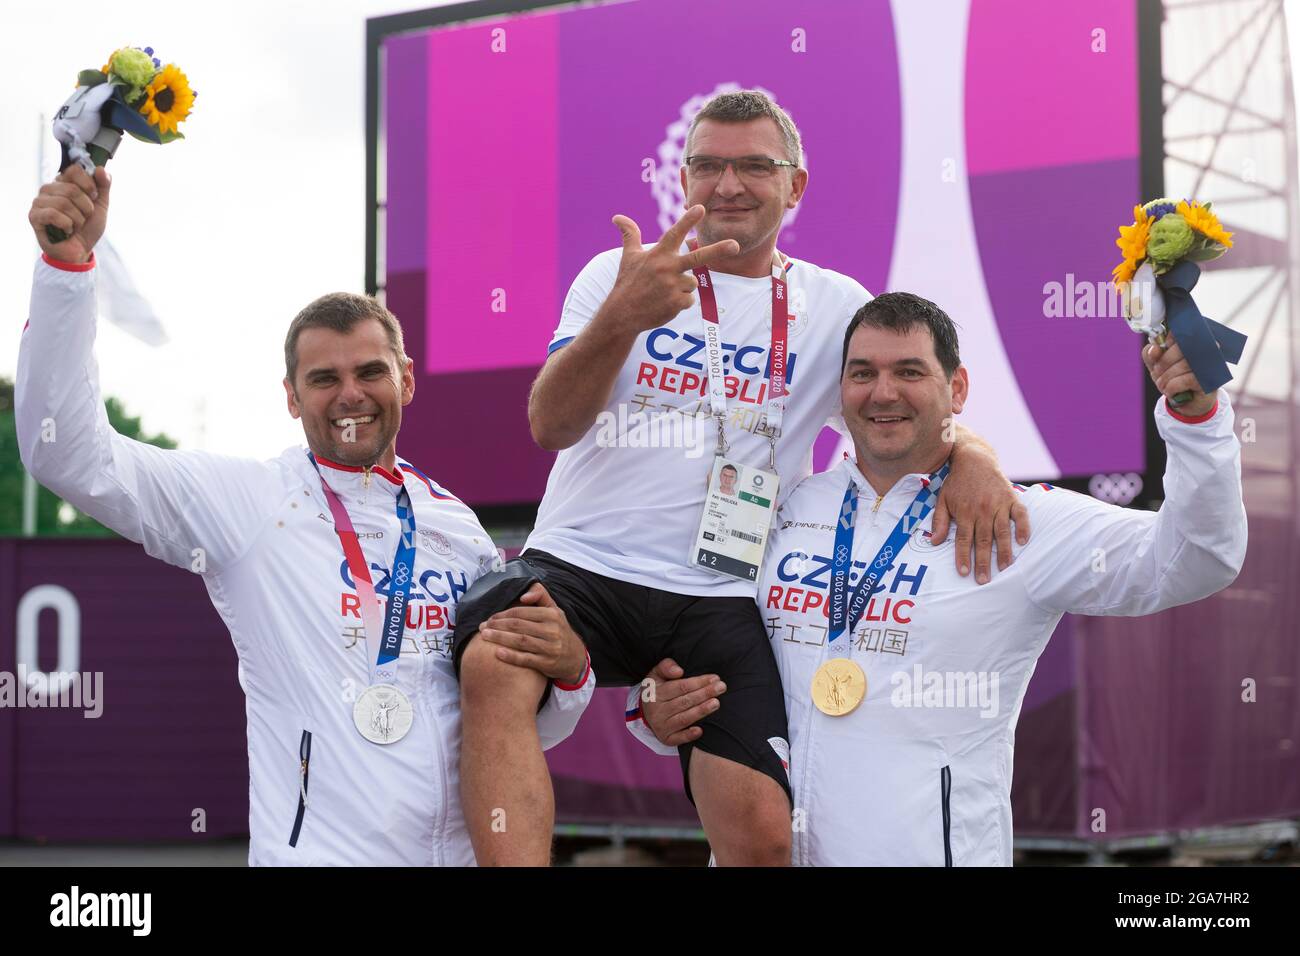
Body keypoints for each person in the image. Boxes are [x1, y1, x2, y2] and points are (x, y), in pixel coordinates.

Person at [454, 90, 1028, 866]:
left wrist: (978, 456)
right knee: (497, 660)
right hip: (585, 567)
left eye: (755, 166)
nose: (728, 184)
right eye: (708, 165)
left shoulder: (834, 305)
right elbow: (550, 425)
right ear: (680, 179)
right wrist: (622, 318)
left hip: (720, 592)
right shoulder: (619, 274)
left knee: (762, 837)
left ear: (795, 186)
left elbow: (907, 411)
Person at [18, 164, 594, 866]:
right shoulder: (250, 503)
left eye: (370, 372)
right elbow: (69, 455)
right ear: (292, 397)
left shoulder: (457, 529)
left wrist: (572, 675)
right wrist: (65, 271)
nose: (350, 395)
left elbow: (513, 721)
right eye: (324, 379)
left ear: (405, 380)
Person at [627, 291, 1247, 865]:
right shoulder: (781, 505)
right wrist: (654, 708)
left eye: (910, 372)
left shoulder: (1018, 521)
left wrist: (1195, 421)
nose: (882, 392)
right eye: (862, 372)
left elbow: (1195, 558)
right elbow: (695, 637)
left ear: (957, 388)